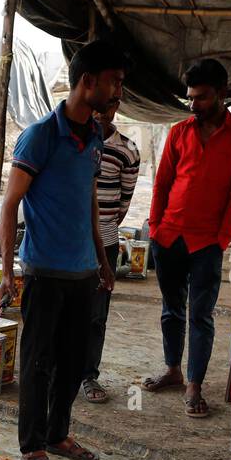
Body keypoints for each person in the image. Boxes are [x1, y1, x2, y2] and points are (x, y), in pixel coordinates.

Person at [0, 39, 126, 460]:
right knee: (37, 362)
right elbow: (9, 204)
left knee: (73, 362)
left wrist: (103, 261)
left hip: (83, 271)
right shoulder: (39, 136)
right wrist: (7, 271)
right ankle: (32, 445)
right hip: (44, 272)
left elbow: (88, 198)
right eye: (113, 82)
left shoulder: (93, 135)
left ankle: (58, 434)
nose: (118, 92)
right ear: (87, 82)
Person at [143, 58, 231, 419]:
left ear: (222, 94)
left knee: (202, 316)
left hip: (207, 242)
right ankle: (173, 370)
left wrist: (222, 239)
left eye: (202, 97)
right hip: (169, 236)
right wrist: (155, 227)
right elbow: (162, 183)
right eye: (190, 98)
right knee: (171, 309)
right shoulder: (179, 132)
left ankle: (194, 383)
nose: (194, 105)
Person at [81, 96, 139, 405]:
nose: (101, 113)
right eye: (97, 106)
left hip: (104, 242)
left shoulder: (126, 150)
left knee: (96, 314)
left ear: (116, 108)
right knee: (64, 309)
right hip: (71, 243)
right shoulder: (73, 141)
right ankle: (56, 370)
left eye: (108, 107)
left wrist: (100, 231)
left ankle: (88, 375)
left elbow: (123, 205)